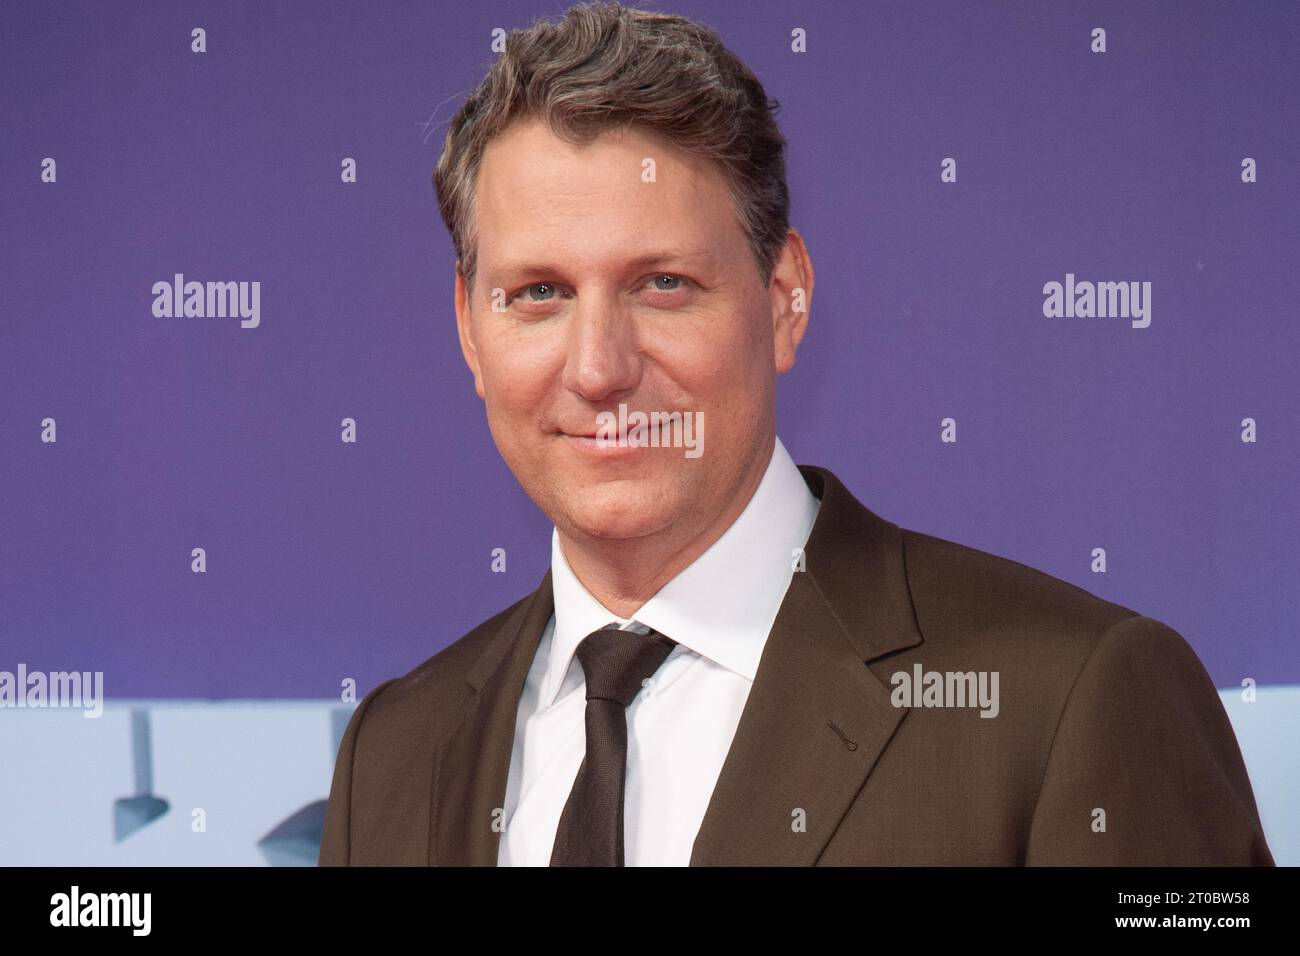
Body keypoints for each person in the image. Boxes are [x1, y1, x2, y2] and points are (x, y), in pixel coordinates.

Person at [319, 1, 1273, 866]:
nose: (599, 368)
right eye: (539, 294)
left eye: (663, 284)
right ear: (469, 332)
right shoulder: (396, 754)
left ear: (783, 300)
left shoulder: (1076, 700)